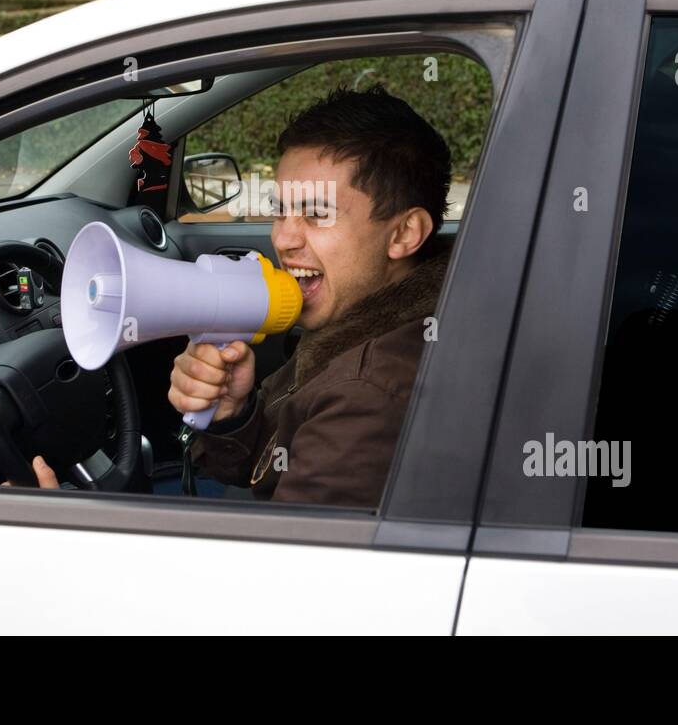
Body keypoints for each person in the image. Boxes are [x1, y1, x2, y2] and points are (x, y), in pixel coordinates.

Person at [26, 85, 453, 506]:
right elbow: (268, 466)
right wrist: (235, 415)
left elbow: (282, 565)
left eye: (317, 214)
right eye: (280, 210)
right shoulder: (362, 325)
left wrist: (69, 537)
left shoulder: (368, 396)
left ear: (404, 233)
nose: (283, 238)